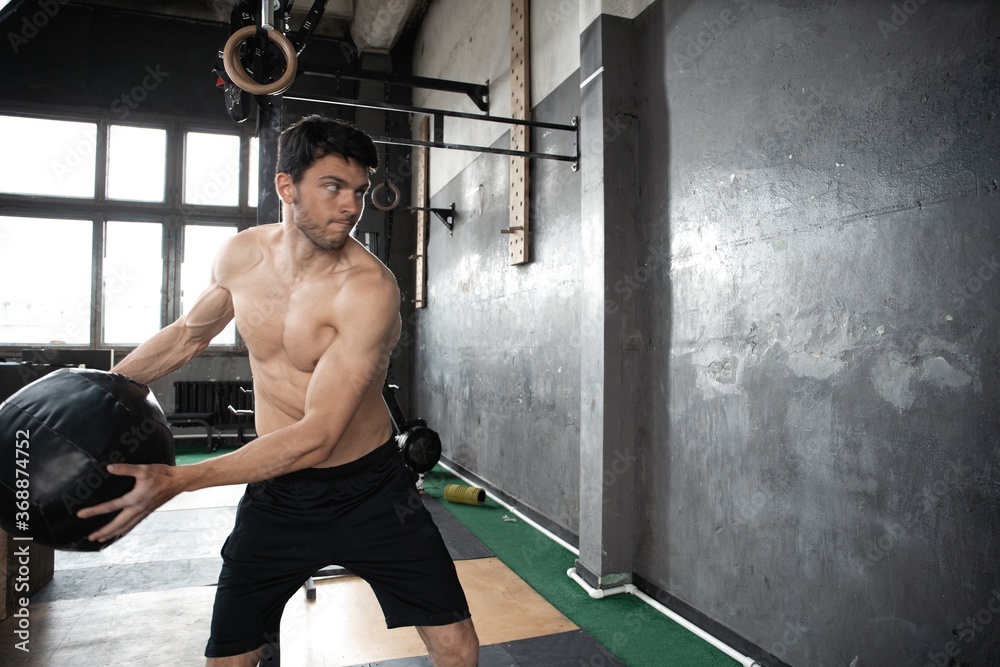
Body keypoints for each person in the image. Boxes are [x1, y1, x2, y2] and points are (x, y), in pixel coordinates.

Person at [77, 115, 480, 667]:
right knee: (231, 656)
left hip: (374, 491)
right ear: (286, 187)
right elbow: (187, 337)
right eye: (333, 187)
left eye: (358, 191)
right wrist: (93, 391)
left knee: (456, 646)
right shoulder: (242, 256)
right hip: (279, 495)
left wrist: (183, 479)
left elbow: (317, 435)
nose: (351, 206)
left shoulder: (368, 290)